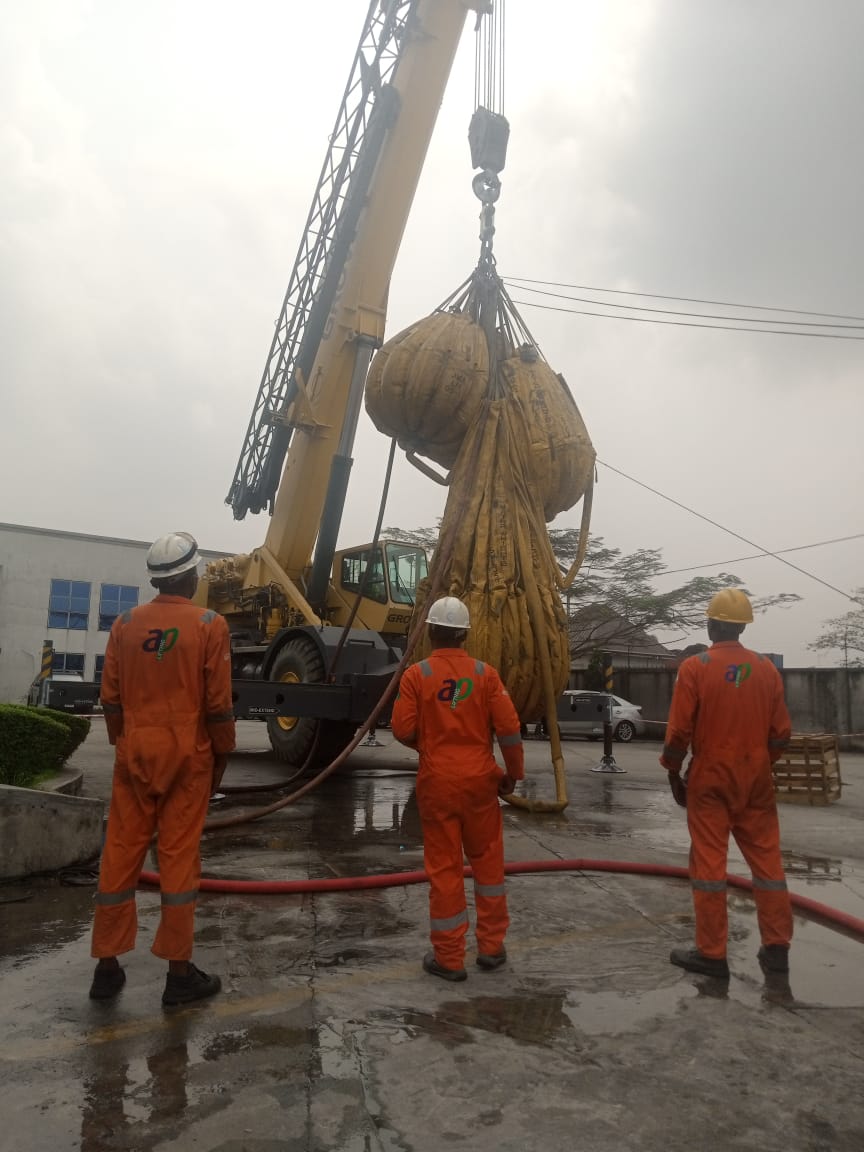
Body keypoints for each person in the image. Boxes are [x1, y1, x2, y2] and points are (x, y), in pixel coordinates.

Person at [88, 531, 236, 1006]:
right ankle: (178, 974)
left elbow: (110, 699)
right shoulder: (210, 625)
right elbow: (218, 705)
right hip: (187, 760)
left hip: (134, 758)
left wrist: (127, 746)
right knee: (177, 861)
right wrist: (223, 754)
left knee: (120, 856)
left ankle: (106, 968)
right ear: (191, 576)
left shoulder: (125, 624)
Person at [660, 588, 793, 980]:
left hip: (711, 779)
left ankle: (712, 953)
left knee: (709, 865)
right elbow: (781, 733)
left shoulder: (696, 667)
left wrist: (672, 769)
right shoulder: (766, 669)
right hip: (756, 780)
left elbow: (679, 731)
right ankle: (776, 950)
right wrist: (761, 763)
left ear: (711, 624)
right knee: (769, 866)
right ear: (742, 627)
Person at [391, 596, 524, 981]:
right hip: (482, 784)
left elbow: (402, 728)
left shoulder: (417, 675)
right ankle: (491, 949)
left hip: (438, 786)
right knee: (489, 866)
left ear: (430, 631)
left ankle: (449, 959)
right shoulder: (486, 674)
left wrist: (429, 747)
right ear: (465, 634)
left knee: (446, 870)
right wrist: (511, 774)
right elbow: (510, 730)